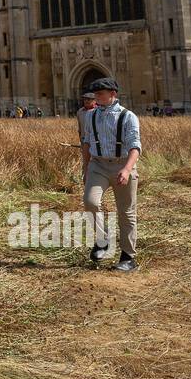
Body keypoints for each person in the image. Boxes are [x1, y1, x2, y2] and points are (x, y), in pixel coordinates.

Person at [79, 77, 140, 273]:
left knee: (126, 211)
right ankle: (102, 240)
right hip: (98, 165)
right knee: (90, 201)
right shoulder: (90, 116)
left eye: (100, 94)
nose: (95, 98)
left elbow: (135, 146)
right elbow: (87, 142)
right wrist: (85, 167)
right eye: (95, 94)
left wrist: (127, 169)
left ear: (112, 94)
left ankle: (128, 256)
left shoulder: (128, 116)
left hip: (122, 165)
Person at [74, 91, 97, 182]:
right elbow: (80, 128)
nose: (86, 101)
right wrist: (81, 139)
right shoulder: (80, 112)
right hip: (84, 140)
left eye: (89, 99)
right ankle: (86, 179)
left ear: (94, 101)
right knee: (86, 161)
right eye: (85, 99)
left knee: (97, 161)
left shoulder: (98, 111)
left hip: (96, 140)